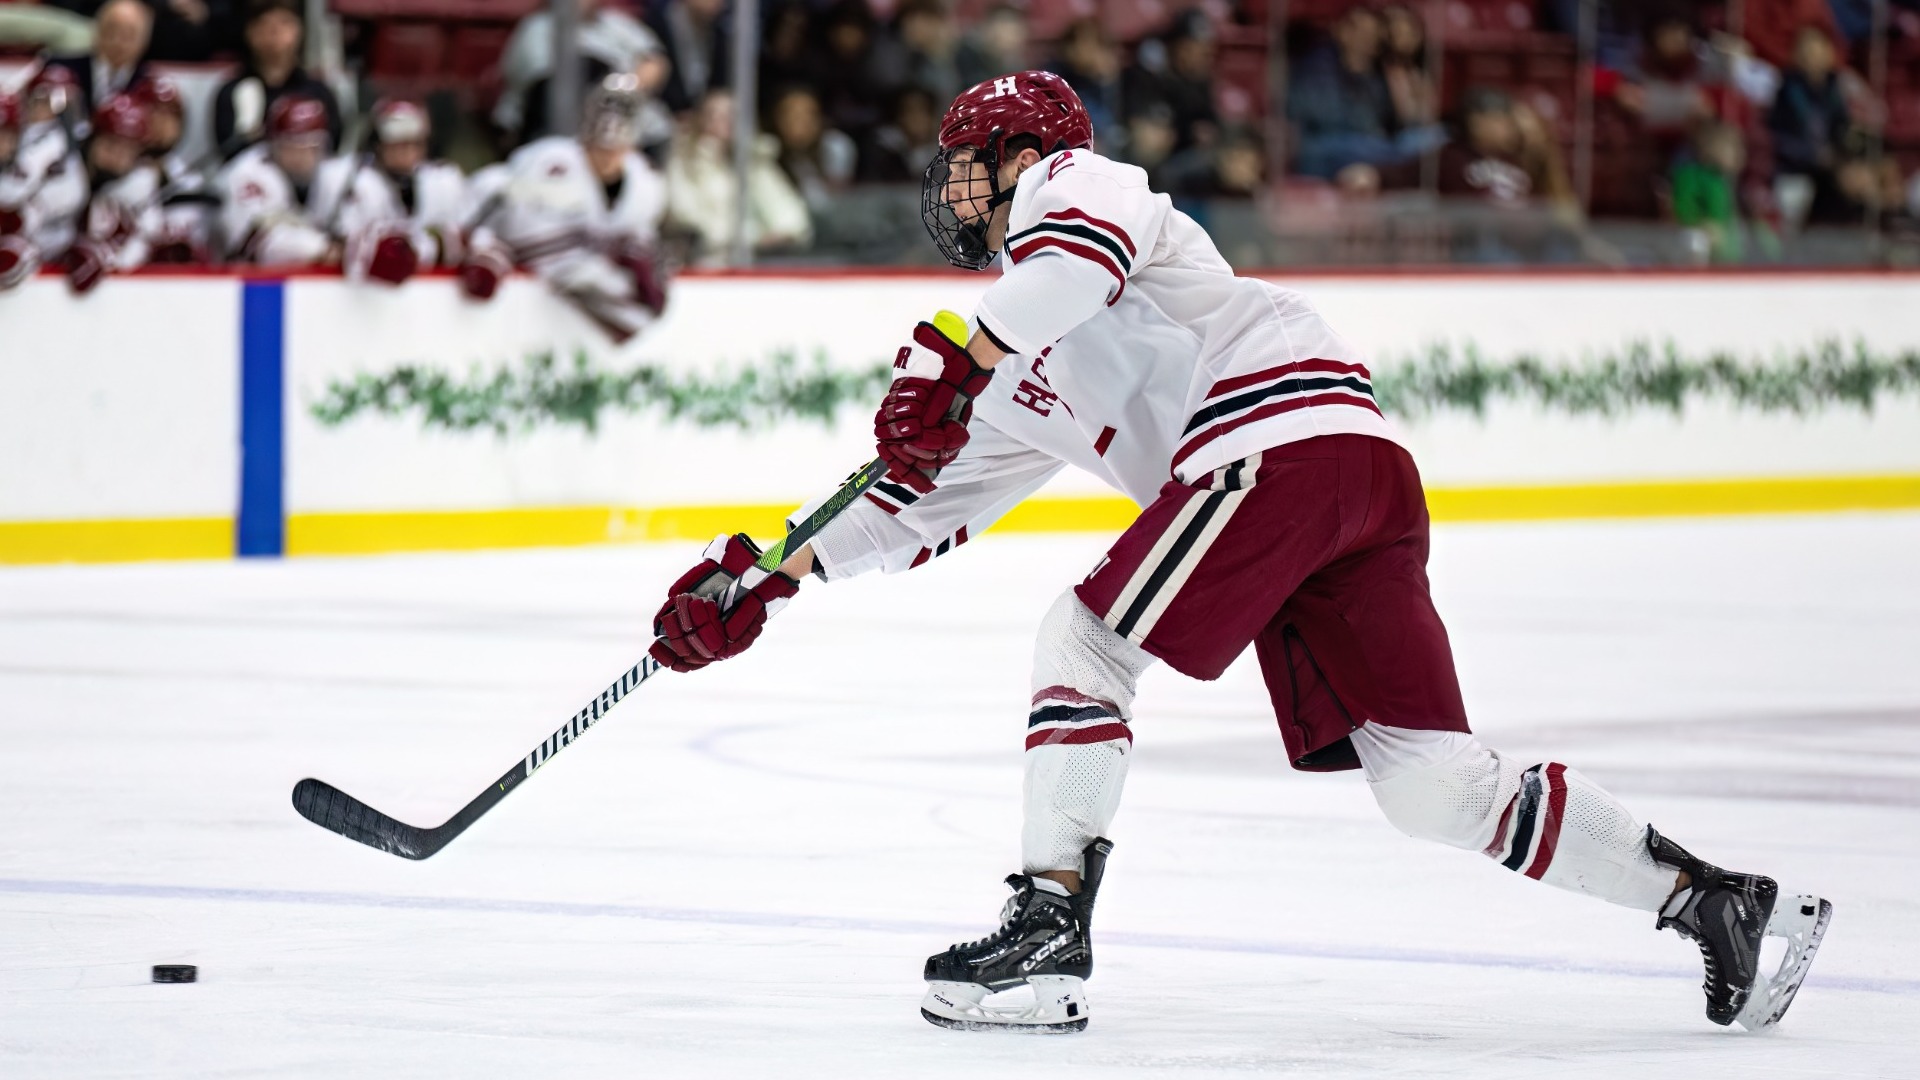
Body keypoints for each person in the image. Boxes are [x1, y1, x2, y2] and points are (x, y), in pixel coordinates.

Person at [642, 70, 1833, 1034]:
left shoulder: (1081, 187)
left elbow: (1069, 269)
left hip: (1275, 444)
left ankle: (1050, 933)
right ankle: (1715, 902)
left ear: (1021, 156)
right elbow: (919, 502)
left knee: (1085, 640)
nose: (952, 189)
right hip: (1343, 474)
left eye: (970, 161)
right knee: (1433, 787)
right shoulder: (1017, 357)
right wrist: (774, 574)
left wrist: (960, 350)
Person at [466, 75, 670, 342]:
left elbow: (638, 238)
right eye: (600, 149)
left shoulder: (645, 180)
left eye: (615, 150)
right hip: (512, 301)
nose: (608, 158)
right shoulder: (550, 162)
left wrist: (637, 254)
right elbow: (526, 242)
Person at [309, 99, 470, 286]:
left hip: (429, 293)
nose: (409, 152)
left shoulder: (444, 179)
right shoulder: (346, 178)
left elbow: (462, 241)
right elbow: (335, 244)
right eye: (398, 144)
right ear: (377, 143)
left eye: (415, 143)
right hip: (358, 292)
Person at [662, 87, 811, 265]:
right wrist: (755, 237)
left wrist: (777, 234)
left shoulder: (755, 161)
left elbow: (790, 216)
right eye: (712, 114)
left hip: (759, 263)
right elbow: (689, 220)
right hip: (704, 265)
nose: (719, 122)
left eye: (729, 115)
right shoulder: (681, 163)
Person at [497, 0, 671, 147]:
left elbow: (655, 63)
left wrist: (624, 86)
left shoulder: (618, 24)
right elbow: (543, 87)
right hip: (553, 135)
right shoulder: (537, 27)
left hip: (635, 128)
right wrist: (621, 82)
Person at [211, 0, 341, 160]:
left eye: (284, 23)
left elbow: (332, 144)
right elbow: (228, 150)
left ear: (299, 30)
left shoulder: (318, 93)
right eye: (264, 24)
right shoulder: (232, 91)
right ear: (249, 33)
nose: (274, 31)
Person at [219, 94, 335, 265]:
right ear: (273, 143)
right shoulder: (248, 174)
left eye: (312, 147)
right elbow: (258, 244)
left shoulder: (323, 175)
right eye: (292, 146)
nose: (302, 157)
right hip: (233, 283)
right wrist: (323, 248)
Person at [66, 92, 164, 292]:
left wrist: (108, 256)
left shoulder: (139, 192)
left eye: (128, 150)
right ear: (92, 139)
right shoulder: (64, 174)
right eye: (111, 144)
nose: (117, 157)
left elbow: (143, 246)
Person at [0, 73, 89, 291]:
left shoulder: (57, 146)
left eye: (61, 105)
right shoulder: (28, 141)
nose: (53, 113)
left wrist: (25, 215)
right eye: (43, 102)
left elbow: (72, 194)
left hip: (45, 246)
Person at [45, 0, 153, 116]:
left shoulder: (149, 84)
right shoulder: (61, 70)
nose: (118, 41)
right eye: (111, 31)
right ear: (97, 31)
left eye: (128, 35)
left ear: (144, 40)